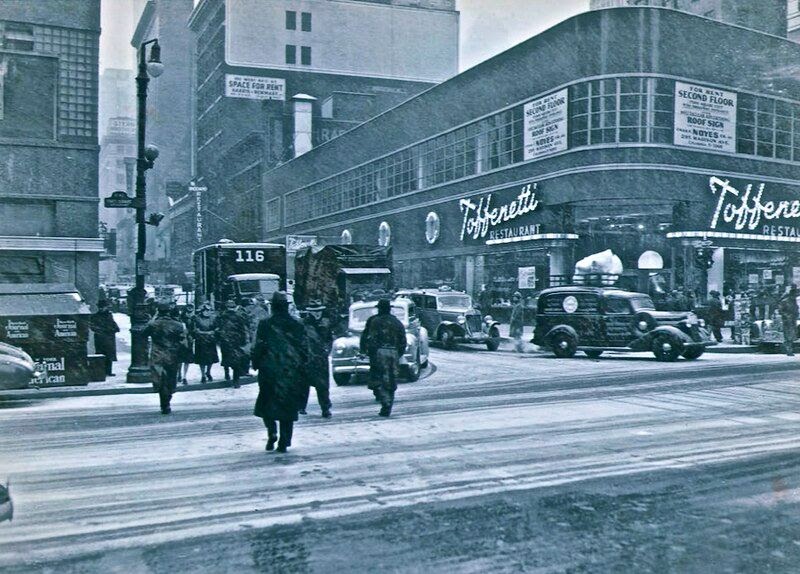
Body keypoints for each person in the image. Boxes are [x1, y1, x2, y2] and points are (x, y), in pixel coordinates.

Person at [252, 291, 308, 453]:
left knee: (266, 403)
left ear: (273, 307)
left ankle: (272, 432)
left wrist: (255, 363)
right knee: (287, 406)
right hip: (290, 371)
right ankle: (284, 441)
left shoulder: (265, 324)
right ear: (287, 306)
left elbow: (259, 346)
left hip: (269, 369)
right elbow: (304, 348)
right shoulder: (297, 324)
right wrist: (302, 366)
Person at [359, 298, 407, 417]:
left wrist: (365, 351)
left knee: (377, 377)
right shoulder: (397, 322)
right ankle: (388, 403)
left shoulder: (373, 321)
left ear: (379, 309)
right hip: (393, 353)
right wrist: (398, 353)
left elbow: (366, 337)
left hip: (378, 353)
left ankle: (384, 400)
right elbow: (403, 340)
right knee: (391, 379)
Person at [143, 301, 187, 414]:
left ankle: (164, 403)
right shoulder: (177, 324)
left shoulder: (153, 324)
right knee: (171, 378)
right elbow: (183, 339)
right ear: (169, 311)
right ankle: (168, 397)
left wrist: (153, 318)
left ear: (158, 311)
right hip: (173, 355)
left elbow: (143, 334)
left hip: (157, 355)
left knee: (159, 379)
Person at [300, 300, 333, 418]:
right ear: (309, 312)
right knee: (304, 384)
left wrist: (327, 350)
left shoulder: (326, 323)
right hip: (307, 358)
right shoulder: (303, 324)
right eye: (314, 311)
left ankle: (325, 408)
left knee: (323, 385)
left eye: (319, 311)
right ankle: (301, 406)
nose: (317, 313)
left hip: (321, 358)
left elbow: (329, 339)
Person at [215, 299, 250, 388]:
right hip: (229, 341)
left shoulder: (233, 316)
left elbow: (242, 329)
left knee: (232, 360)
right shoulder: (222, 316)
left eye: (232, 307)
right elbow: (218, 328)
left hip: (233, 341)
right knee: (231, 359)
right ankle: (232, 377)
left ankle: (234, 378)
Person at [90, 299, 120, 376]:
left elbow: (114, 325)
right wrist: (103, 330)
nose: (102, 308)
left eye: (103, 307)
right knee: (100, 355)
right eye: (100, 307)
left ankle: (108, 371)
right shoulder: (95, 316)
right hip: (101, 338)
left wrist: (113, 329)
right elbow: (93, 327)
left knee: (109, 355)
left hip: (109, 338)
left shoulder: (109, 315)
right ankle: (101, 371)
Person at [193, 302, 219, 382]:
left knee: (210, 358)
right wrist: (204, 333)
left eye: (209, 310)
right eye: (205, 310)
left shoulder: (213, 318)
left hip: (210, 341)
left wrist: (213, 332)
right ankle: (203, 375)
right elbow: (195, 330)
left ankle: (208, 372)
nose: (207, 312)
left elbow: (217, 328)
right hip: (201, 341)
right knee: (202, 360)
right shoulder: (196, 318)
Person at [779, 284, 799, 356]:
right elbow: (781, 310)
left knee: (793, 335)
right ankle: (788, 349)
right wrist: (787, 316)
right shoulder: (784, 301)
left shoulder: (794, 302)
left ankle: (790, 348)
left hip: (793, 320)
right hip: (787, 320)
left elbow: (796, 310)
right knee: (788, 335)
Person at [177, 304, 196, 384]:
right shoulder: (181, 318)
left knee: (187, 360)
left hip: (189, 340)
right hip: (182, 340)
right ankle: (179, 374)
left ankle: (184, 376)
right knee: (180, 359)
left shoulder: (194, 318)